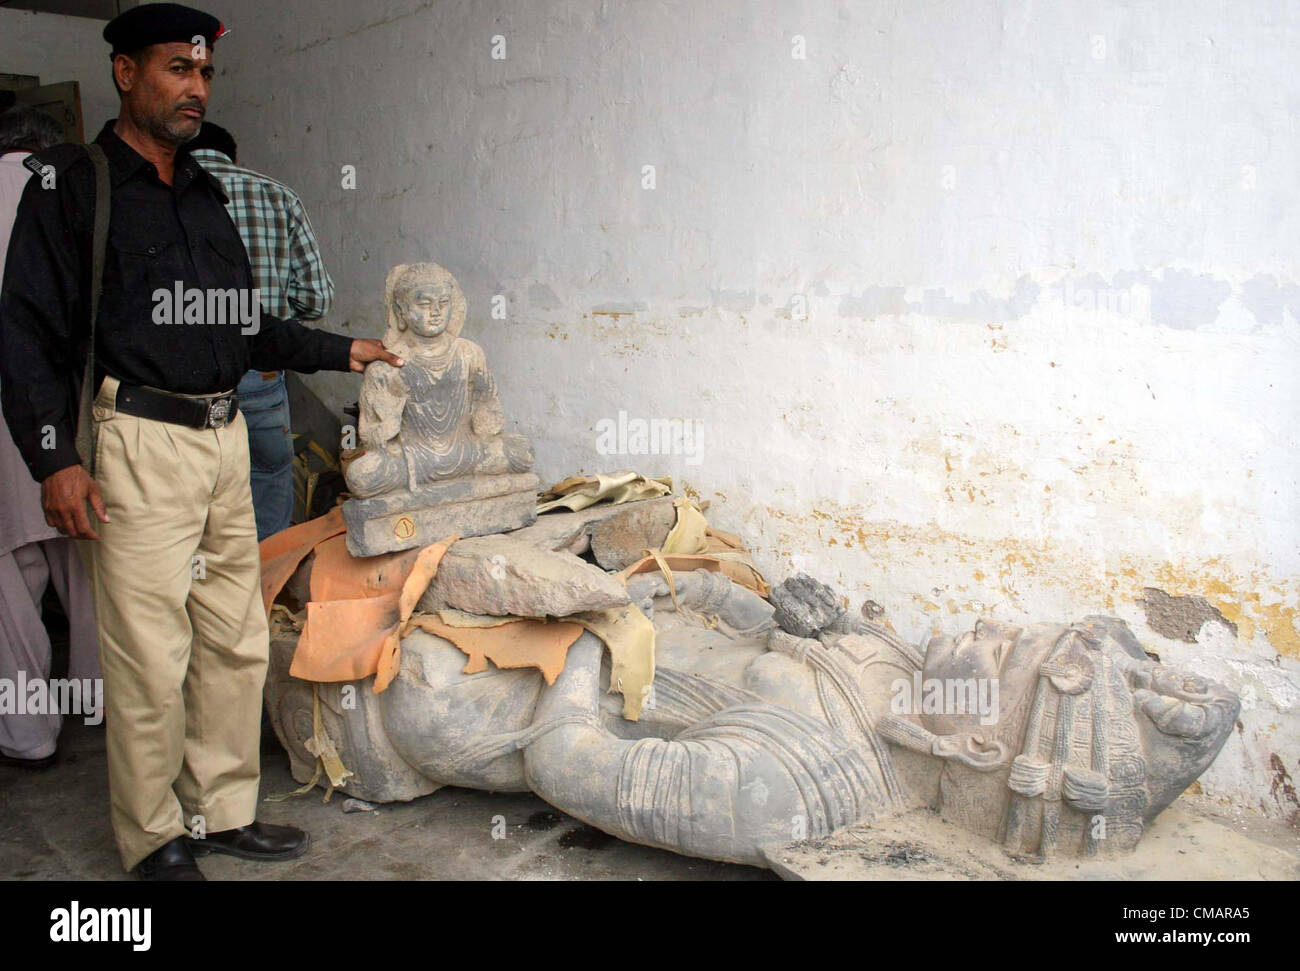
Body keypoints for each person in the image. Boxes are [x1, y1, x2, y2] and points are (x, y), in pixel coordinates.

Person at [0, 3, 403, 880]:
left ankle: (222, 811)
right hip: (138, 441)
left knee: (233, 637)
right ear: (125, 73)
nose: (195, 88)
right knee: (149, 651)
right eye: (177, 70)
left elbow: (246, 326)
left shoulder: (208, 195)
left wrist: (347, 349)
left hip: (224, 439)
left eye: (205, 74)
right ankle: (153, 836)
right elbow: (27, 333)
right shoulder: (74, 186)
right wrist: (53, 459)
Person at [0, 107, 103, 771]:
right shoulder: (74, 192)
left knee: (9, 588)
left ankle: (28, 733)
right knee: (92, 570)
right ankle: (104, 702)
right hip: (74, 413)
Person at [187, 121, 334, 539]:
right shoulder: (277, 195)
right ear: (233, 156)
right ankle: (263, 588)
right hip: (261, 374)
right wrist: (278, 326)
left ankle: (202, 592)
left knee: (195, 493)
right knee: (267, 476)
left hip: (183, 381)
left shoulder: (161, 199)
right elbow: (317, 298)